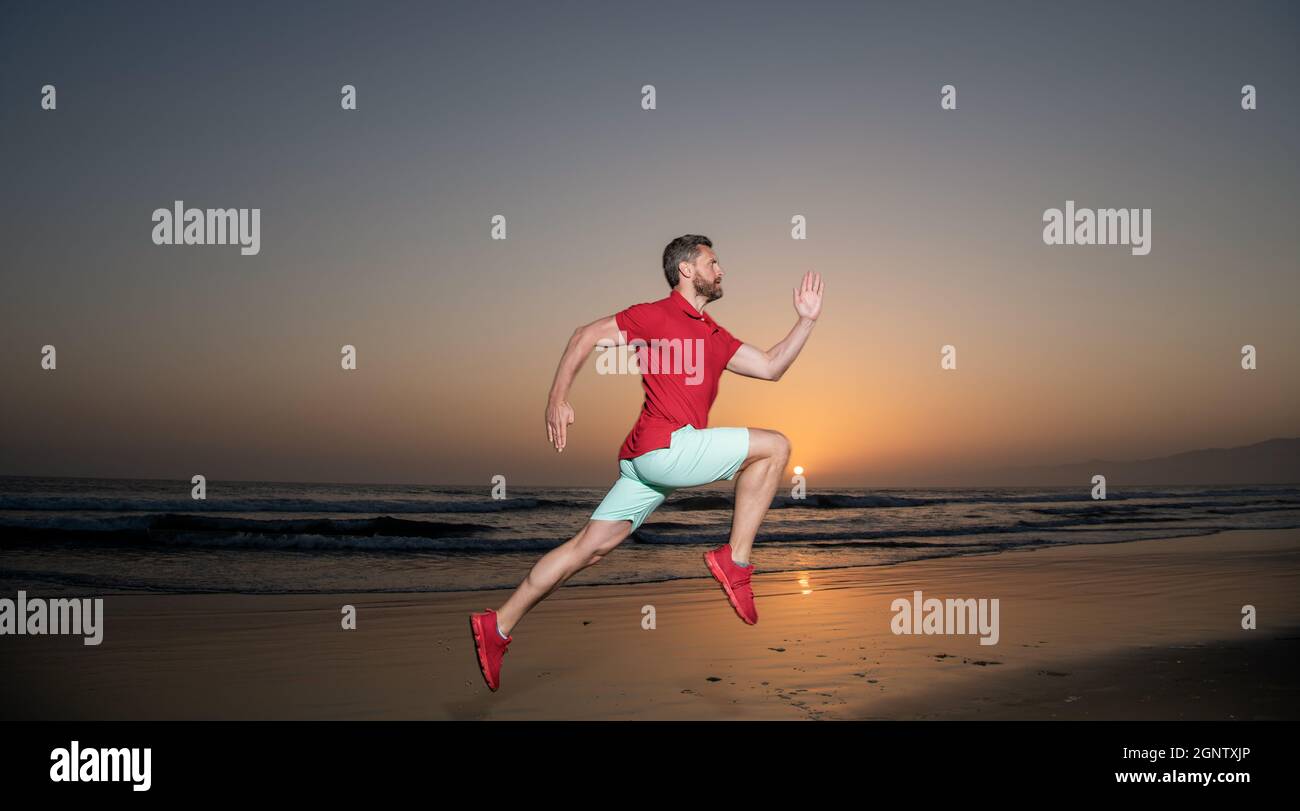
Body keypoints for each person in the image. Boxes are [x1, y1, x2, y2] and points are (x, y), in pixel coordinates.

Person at [469, 235, 824, 691]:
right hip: (666, 448)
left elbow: (773, 366)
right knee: (775, 446)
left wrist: (806, 321)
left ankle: (497, 625)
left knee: (588, 549)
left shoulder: (716, 336)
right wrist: (557, 398)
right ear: (687, 270)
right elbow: (585, 336)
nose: (721, 270)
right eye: (713, 262)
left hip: (646, 462)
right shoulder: (653, 314)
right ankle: (734, 560)